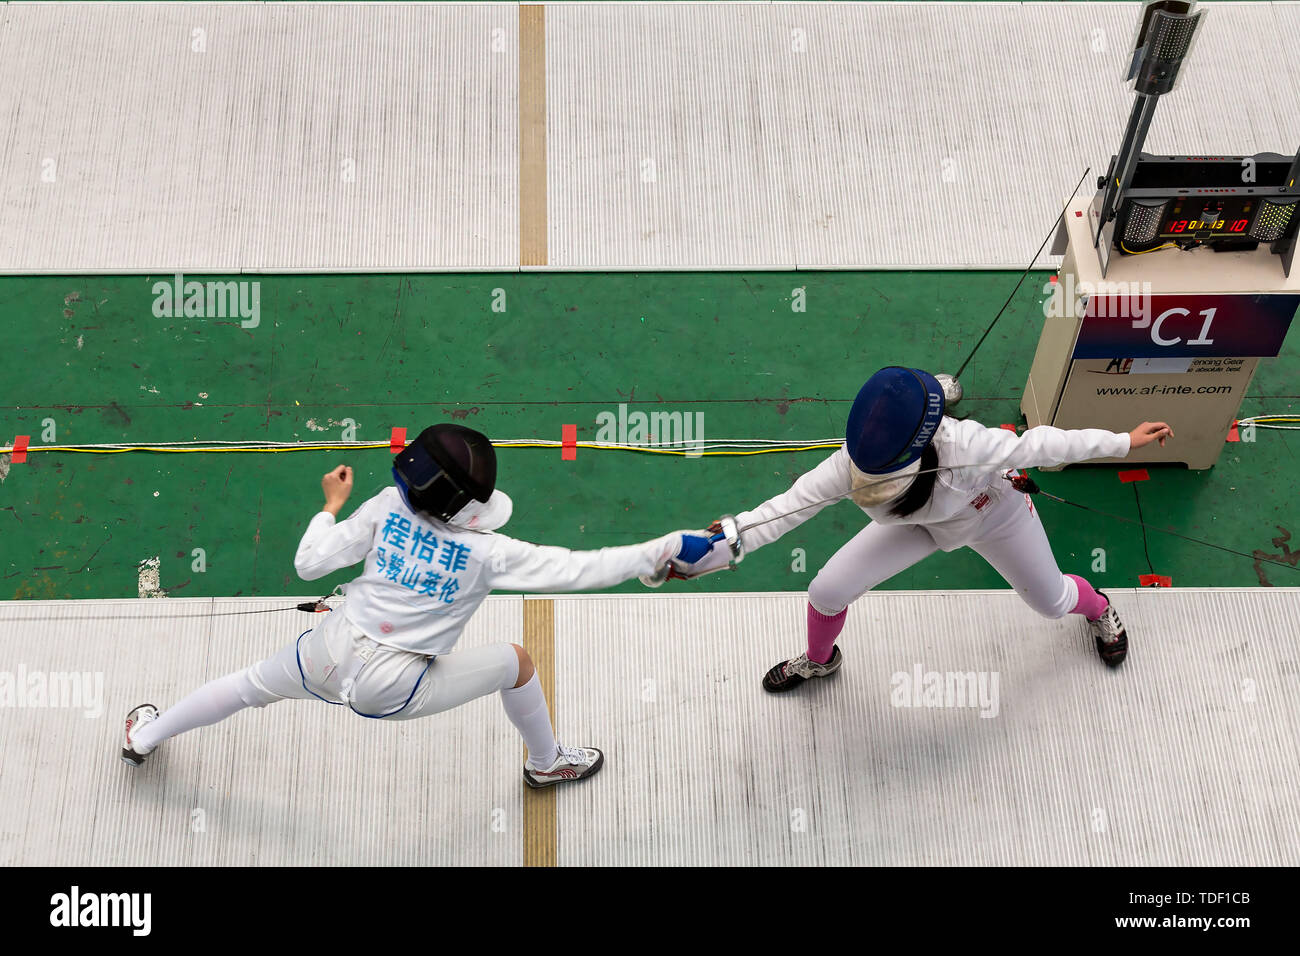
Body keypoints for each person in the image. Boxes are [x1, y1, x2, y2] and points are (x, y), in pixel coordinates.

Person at [122, 423, 713, 787]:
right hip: (391, 686)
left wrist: (330, 503)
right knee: (515, 662)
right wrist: (659, 551)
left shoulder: (383, 505)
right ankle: (546, 762)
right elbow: (581, 568)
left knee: (247, 686)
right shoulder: (491, 552)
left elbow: (310, 563)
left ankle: (143, 738)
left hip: (328, 651)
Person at [671, 367, 1173, 691]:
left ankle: (1100, 607)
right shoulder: (849, 463)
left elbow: (1040, 446)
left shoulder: (967, 445)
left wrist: (1123, 442)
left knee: (1051, 603)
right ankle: (820, 660)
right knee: (827, 588)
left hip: (990, 512)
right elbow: (783, 510)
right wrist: (717, 549)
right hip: (920, 526)